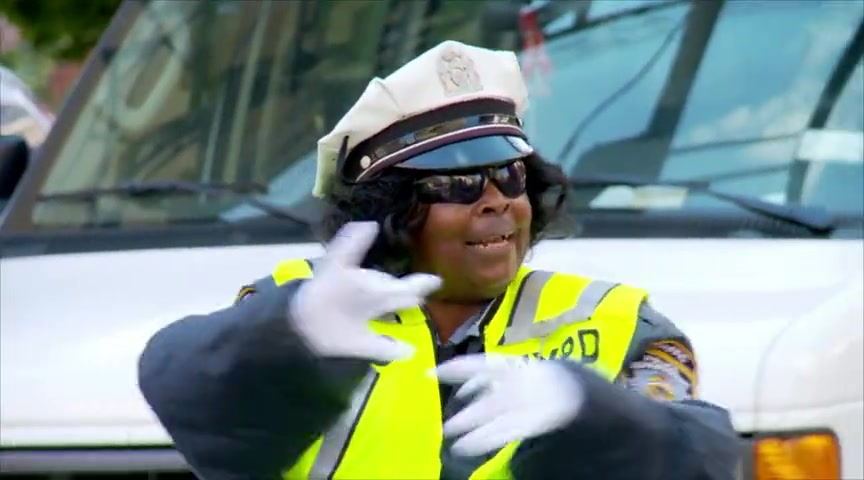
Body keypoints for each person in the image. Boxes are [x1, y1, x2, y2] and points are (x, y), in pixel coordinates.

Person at [137, 40, 740, 480]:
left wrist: (593, 419)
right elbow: (187, 394)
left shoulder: (621, 325)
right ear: (392, 209)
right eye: (458, 185)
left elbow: (704, 459)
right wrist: (288, 339)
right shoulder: (294, 309)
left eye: (509, 175)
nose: (497, 201)